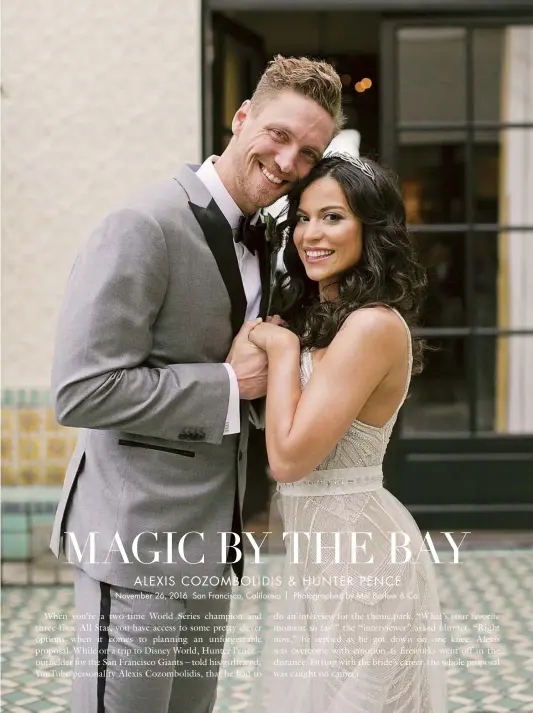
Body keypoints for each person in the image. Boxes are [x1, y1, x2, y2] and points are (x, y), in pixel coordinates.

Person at [49, 56, 343, 713]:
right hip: (133, 539)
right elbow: (80, 390)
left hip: (212, 544)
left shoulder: (271, 239)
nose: (289, 160)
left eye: (309, 152)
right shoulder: (142, 224)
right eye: (278, 135)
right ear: (241, 119)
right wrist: (224, 383)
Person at [248, 154, 448, 712]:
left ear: (371, 229)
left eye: (333, 217)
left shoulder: (372, 326)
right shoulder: (327, 317)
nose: (312, 233)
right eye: (304, 218)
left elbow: (288, 460)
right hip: (322, 564)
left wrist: (284, 350)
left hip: (366, 567)